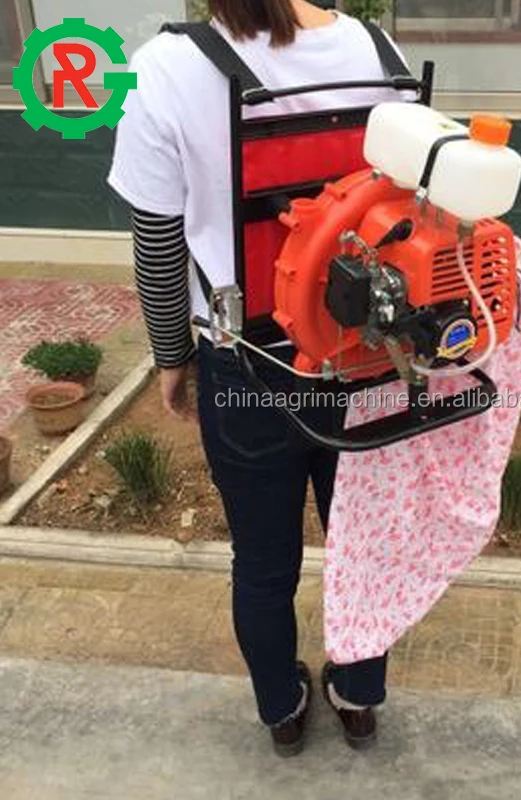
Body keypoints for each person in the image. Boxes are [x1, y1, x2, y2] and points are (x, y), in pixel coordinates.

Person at [108, 0, 407, 757]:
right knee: (365, 541)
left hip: (246, 357)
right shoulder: (379, 52)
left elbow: (157, 240)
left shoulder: (168, 68)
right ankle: (359, 694)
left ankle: (281, 707)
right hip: (367, 352)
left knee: (263, 557)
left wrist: (172, 357)